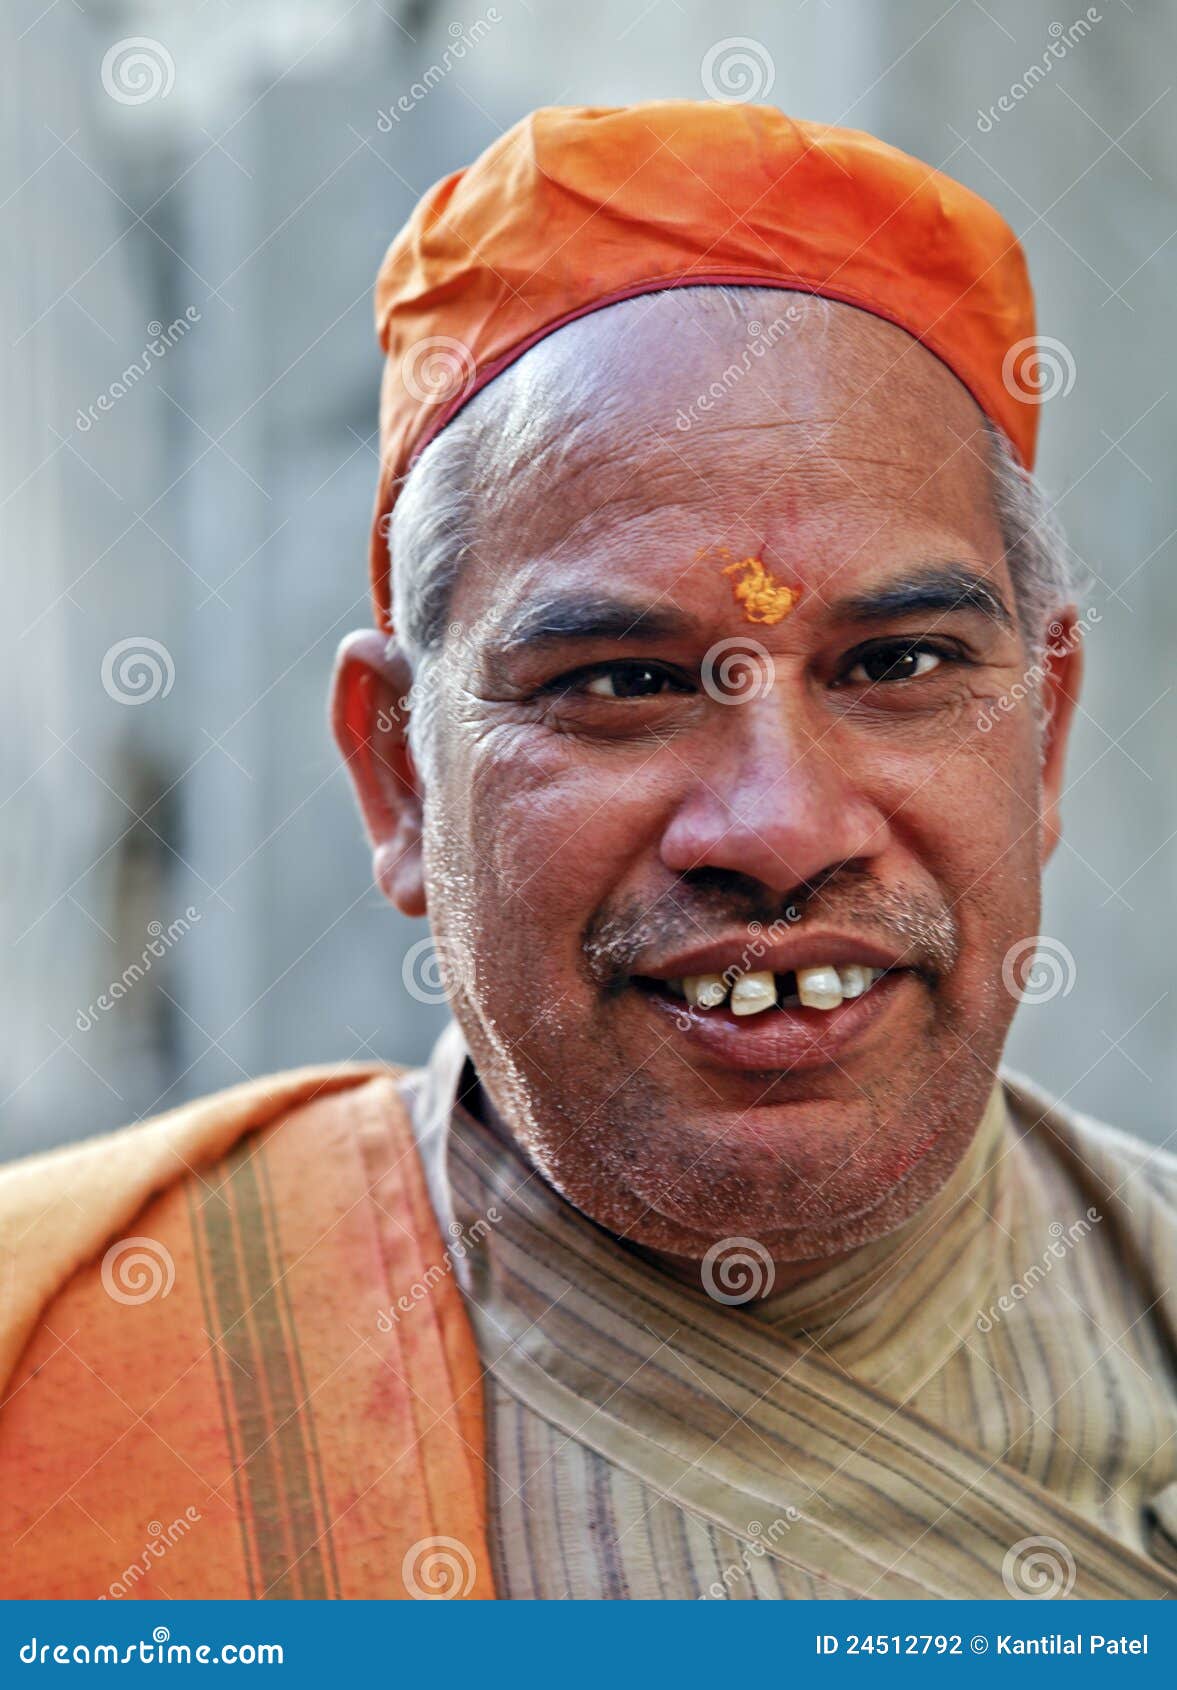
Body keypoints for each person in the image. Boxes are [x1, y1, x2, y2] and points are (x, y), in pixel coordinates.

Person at [3, 102, 1175, 1602]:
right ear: (399, 780)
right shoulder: (56, 1361)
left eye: (893, 666)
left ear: (1047, 734)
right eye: (621, 681)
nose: (777, 828)